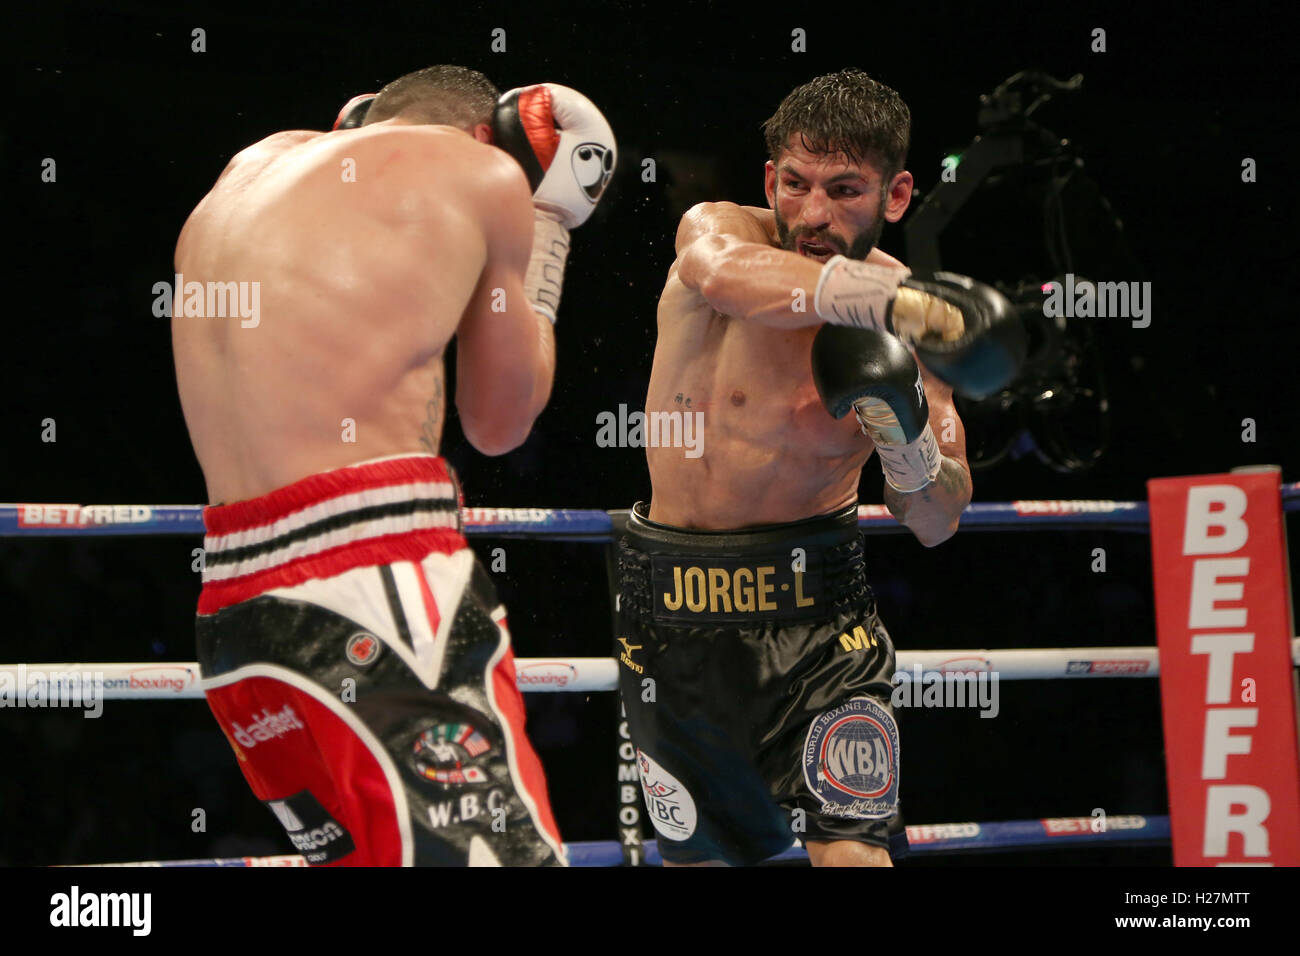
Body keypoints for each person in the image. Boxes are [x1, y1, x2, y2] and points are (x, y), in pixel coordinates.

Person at [172, 65, 615, 865]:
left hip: (234, 606)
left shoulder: (245, 172)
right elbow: (499, 423)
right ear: (487, 136)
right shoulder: (482, 172)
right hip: (373, 578)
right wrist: (548, 220)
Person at [615, 69, 1016, 866]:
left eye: (844, 190)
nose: (813, 214)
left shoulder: (913, 324)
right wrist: (890, 303)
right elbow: (724, 277)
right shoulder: (720, 230)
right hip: (673, 609)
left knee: (854, 855)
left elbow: (937, 520)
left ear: (896, 195)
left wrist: (906, 439)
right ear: (770, 180)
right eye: (795, 184)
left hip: (822, 622)